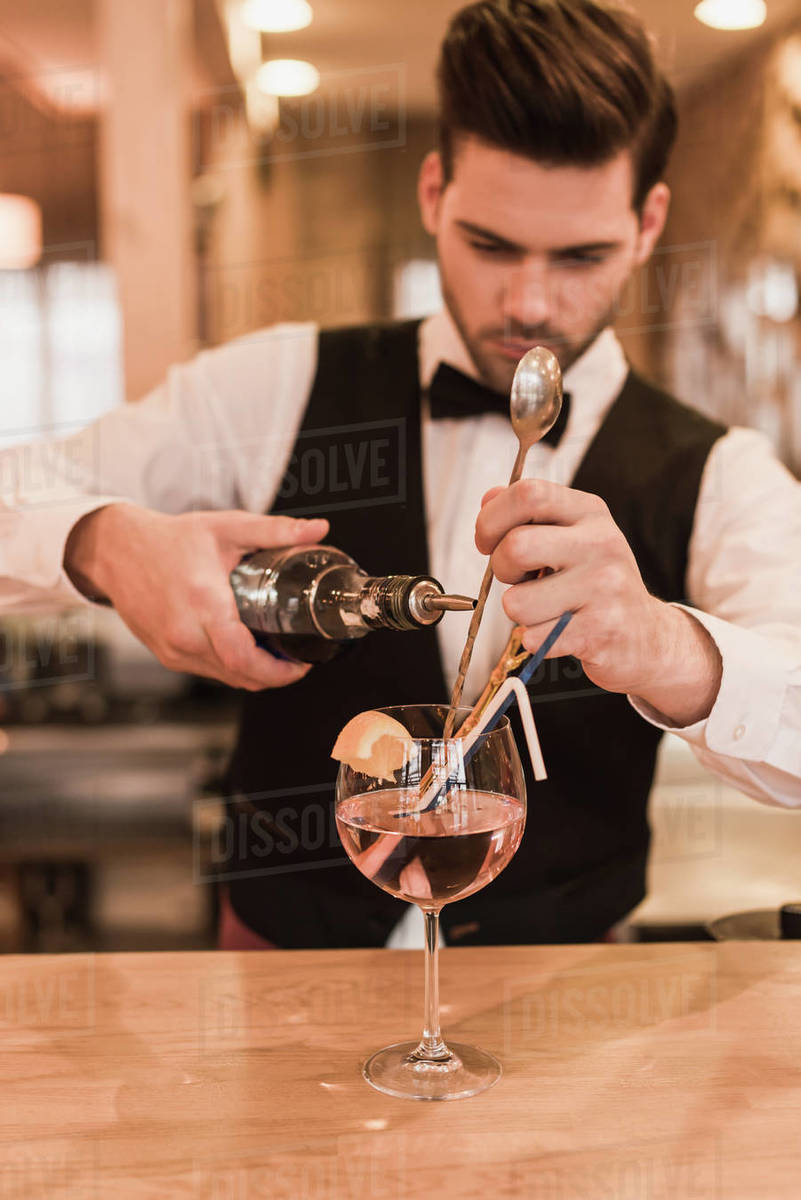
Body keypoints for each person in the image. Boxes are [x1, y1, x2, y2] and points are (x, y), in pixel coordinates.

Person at [2, 0, 800, 950]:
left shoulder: (718, 471)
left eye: (580, 255)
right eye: (490, 244)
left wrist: (670, 648)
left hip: (570, 1010)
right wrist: (98, 541)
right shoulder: (276, 381)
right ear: (432, 195)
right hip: (273, 979)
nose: (530, 302)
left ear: (646, 224)